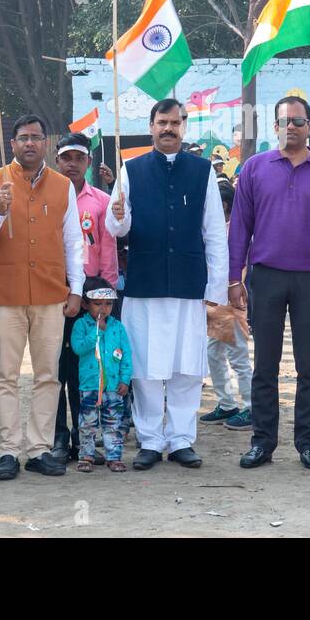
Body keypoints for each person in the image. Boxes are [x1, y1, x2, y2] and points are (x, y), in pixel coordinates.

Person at [104, 98, 228, 470]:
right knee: (144, 367)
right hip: (145, 284)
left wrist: (216, 291)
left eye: (175, 122)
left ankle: (180, 440)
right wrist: (118, 216)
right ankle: (150, 440)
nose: (168, 128)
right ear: (152, 125)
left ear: (184, 125)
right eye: (162, 122)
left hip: (189, 285)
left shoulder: (202, 170)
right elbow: (116, 229)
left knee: (186, 367)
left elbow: (215, 233)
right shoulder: (132, 170)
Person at [229, 96, 310, 470]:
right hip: (265, 278)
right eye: (285, 121)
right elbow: (240, 229)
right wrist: (235, 278)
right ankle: (262, 442)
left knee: (309, 366)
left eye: (298, 121)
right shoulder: (254, 168)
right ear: (275, 126)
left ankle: (307, 443)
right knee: (264, 364)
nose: (291, 127)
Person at [0, 115, 84, 479]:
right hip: (6, 295)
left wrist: (77, 289)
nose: (30, 143)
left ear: (46, 144)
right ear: (13, 143)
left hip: (52, 293)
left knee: (49, 375)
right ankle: (7, 450)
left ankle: (38, 449)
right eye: (23, 138)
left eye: (36, 137)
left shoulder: (63, 185)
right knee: (5, 375)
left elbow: (73, 242)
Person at [52, 132, 118, 464]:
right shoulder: (46, 197)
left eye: (79, 158)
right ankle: (58, 439)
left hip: (90, 293)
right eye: (66, 158)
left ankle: (85, 438)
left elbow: (107, 251)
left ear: (88, 163)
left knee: (86, 369)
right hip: (54, 291)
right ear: (57, 161)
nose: (72, 164)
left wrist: (103, 298)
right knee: (55, 369)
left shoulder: (101, 202)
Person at [202, 177, 253, 432]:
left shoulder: (235, 229)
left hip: (230, 301)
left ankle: (252, 406)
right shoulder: (217, 227)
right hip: (214, 301)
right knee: (214, 354)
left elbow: (240, 267)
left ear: (222, 204)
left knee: (238, 355)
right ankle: (227, 403)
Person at [70, 276, 132, 473]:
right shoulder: (81, 325)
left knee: (113, 422)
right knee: (87, 423)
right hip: (90, 386)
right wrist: (97, 332)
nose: (103, 308)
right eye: (98, 304)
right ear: (85, 304)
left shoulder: (118, 327)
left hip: (113, 386)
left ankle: (114, 456)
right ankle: (86, 455)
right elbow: (78, 348)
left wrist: (125, 379)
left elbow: (126, 356)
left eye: (108, 304)